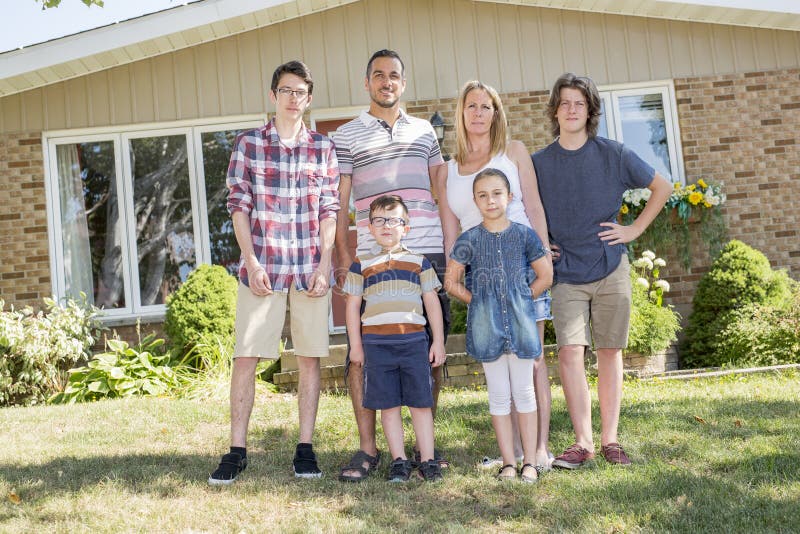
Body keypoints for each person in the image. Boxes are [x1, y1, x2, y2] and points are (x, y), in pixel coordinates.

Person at [208, 60, 340, 485]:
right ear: (273, 95)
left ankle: (305, 449)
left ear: (309, 97)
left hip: (307, 269)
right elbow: (238, 206)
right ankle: (236, 450)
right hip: (261, 268)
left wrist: (324, 262)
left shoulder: (323, 148)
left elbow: (330, 210)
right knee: (245, 357)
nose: (292, 98)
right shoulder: (249, 144)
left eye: (299, 91)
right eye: (285, 90)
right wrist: (250, 260)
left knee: (309, 358)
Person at [532, 73, 672, 468]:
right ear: (555, 110)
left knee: (610, 352)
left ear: (590, 110)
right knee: (570, 352)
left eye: (579, 102)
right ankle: (582, 442)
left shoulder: (614, 153)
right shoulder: (539, 163)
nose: (571, 109)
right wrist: (541, 243)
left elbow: (663, 187)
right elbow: (524, 208)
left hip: (611, 266)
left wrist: (634, 229)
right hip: (565, 273)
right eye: (564, 102)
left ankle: (610, 440)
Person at [333, 49, 449, 482]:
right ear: (367, 83)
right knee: (362, 357)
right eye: (378, 75)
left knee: (428, 356)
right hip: (371, 260)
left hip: (426, 253)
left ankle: (425, 452)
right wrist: (345, 257)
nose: (387, 82)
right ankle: (369, 449)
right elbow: (339, 202)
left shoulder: (424, 132)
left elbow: (440, 190)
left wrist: (450, 250)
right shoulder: (345, 136)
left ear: (403, 82)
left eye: (394, 75)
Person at [434, 80, 554, 472]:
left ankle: (537, 451)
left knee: (530, 360)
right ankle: (511, 454)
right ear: (462, 112)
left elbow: (533, 206)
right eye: (472, 106)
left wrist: (543, 252)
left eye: (487, 106)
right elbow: (451, 233)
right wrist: (464, 284)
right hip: (482, 276)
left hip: (521, 266)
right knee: (498, 370)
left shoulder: (513, 152)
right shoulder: (446, 171)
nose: (479, 113)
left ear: (496, 113)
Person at [444, 168, 553, 482]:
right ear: (476, 201)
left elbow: (546, 276)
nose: (490, 200)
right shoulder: (470, 239)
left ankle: (530, 462)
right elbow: (451, 281)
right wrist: (477, 300)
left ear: (510, 197)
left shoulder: (524, 235)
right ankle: (509, 462)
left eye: (496, 193)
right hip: (487, 326)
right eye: (482, 195)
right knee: (499, 395)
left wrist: (520, 297)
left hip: (521, 325)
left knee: (524, 392)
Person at [342, 195, 447, 483]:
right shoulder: (361, 264)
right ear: (370, 228)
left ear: (406, 227)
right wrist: (356, 346)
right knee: (388, 404)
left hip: (413, 343)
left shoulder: (419, 262)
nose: (387, 226)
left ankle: (427, 460)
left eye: (394, 220)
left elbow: (432, 302)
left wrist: (437, 341)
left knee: (420, 403)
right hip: (377, 346)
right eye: (379, 220)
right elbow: (352, 306)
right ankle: (399, 460)